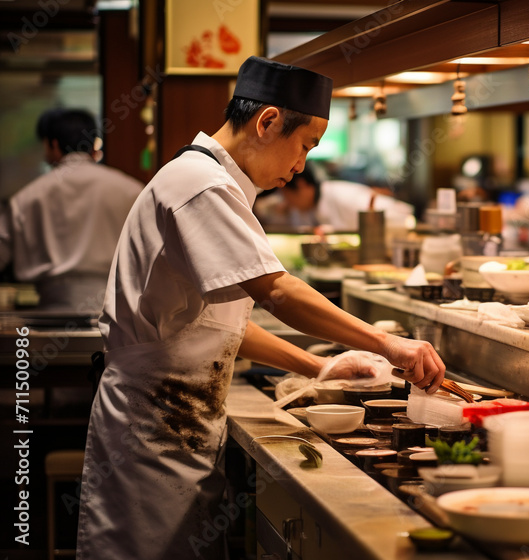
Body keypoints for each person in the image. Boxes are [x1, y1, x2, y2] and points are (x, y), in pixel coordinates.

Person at [75, 56, 445, 560]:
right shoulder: (201, 184)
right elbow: (277, 291)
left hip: (175, 421)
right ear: (267, 122)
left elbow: (214, 325)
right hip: (150, 427)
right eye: (306, 144)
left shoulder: (213, 183)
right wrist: (388, 343)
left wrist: (319, 367)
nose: (302, 166)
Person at [0, 108, 142, 313]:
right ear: (93, 145)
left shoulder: (27, 197)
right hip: (120, 313)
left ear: (53, 144)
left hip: (52, 312)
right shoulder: (132, 191)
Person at [254, 163, 414, 232]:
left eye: (286, 194)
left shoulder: (343, 196)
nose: (286, 200)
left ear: (302, 185)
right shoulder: (298, 210)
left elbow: (402, 215)